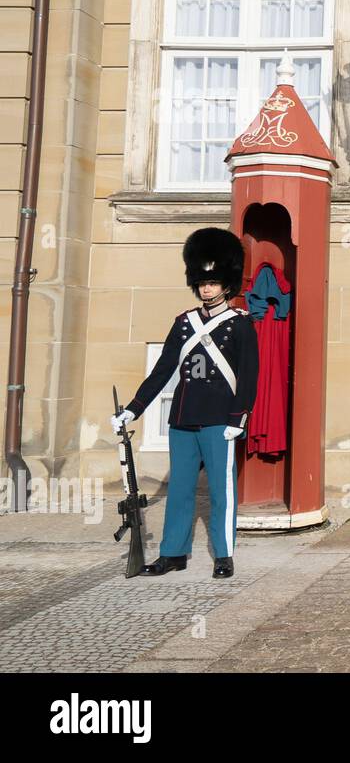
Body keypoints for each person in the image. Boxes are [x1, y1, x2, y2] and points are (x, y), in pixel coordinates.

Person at [110, 228, 259, 579]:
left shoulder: (240, 325)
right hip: (183, 418)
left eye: (213, 281)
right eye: (202, 281)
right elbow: (163, 370)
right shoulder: (183, 323)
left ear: (226, 283)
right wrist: (134, 408)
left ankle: (223, 556)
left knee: (222, 492)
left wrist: (238, 418)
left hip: (220, 419)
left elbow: (250, 375)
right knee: (179, 490)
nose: (207, 287)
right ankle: (173, 553)